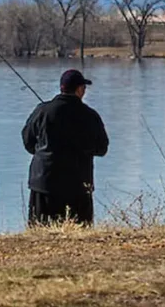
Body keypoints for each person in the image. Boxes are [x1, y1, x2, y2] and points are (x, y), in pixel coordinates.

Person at [22, 69, 109, 225]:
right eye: (84, 88)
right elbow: (102, 148)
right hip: (78, 185)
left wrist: (43, 151)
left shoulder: (42, 111)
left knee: (40, 230)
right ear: (79, 90)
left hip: (44, 183)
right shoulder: (90, 115)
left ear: (61, 88)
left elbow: (28, 141)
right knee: (79, 231)